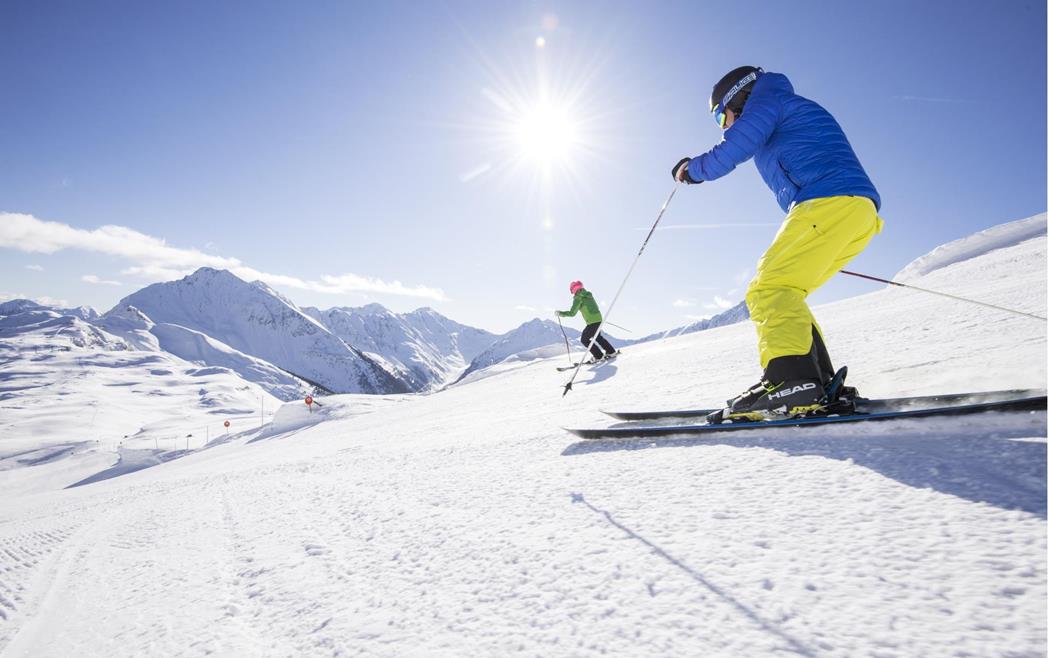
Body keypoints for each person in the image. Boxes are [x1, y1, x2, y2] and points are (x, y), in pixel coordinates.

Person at [671, 66, 883, 421]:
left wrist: (694, 169)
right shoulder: (780, 105)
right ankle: (818, 384)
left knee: (767, 289)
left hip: (829, 201)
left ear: (738, 96)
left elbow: (736, 144)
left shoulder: (768, 99)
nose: (724, 125)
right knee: (786, 291)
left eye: (721, 115)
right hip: (853, 210)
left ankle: (792, 384)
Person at [556, 280, 617, 362]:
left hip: (591, 322)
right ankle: (611, 352)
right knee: (598, 337)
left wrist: (560, 313)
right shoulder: (588, 295)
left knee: (584, 340)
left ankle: (598, 356)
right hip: (599, 319)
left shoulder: (578, 298)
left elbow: (572, 313)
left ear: (573, 289)